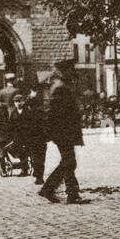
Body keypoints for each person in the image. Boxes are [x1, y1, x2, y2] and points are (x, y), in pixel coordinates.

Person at [39, 64, 87, 203]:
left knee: (68, 162)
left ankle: (51, 189)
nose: (74, 81)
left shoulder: (63, 91)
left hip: (65, 134)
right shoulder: (62, 91)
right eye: (73, 78)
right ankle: (70, 194)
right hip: (64, 134)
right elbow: (58, 115)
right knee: (69, 162)